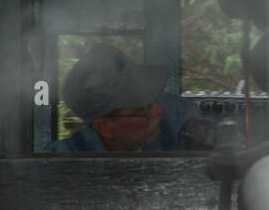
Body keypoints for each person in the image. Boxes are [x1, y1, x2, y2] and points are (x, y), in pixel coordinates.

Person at [46, 43, 205, 153]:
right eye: (144, 109)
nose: (159, 110)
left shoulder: (178, 115)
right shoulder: (60, 164)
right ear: (105, 127)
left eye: (153, 98)